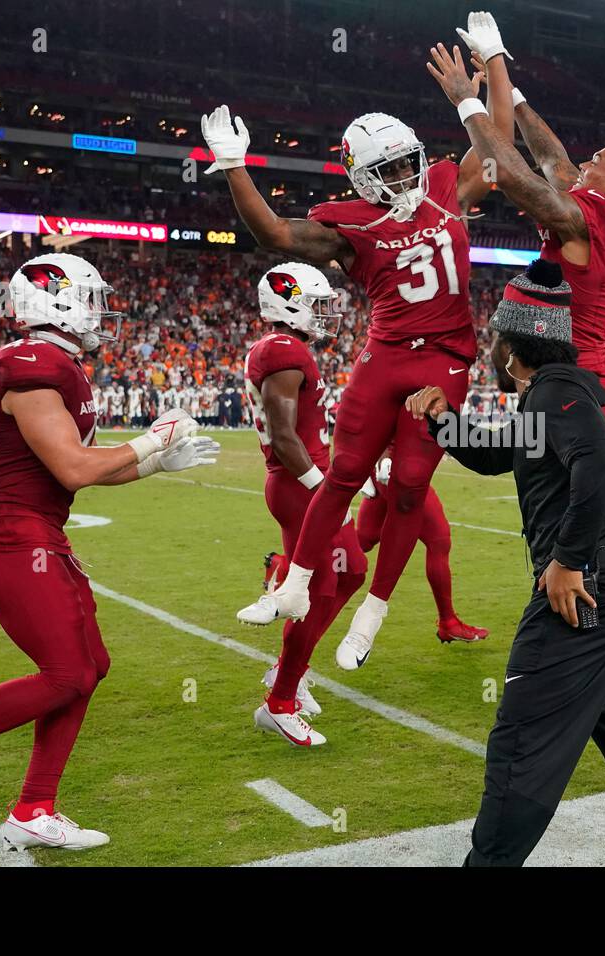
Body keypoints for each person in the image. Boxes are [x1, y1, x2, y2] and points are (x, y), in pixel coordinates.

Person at [0, 252, 219, 849]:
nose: (99, 311)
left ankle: (33, 810)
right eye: (89, 298)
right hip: (10, 535)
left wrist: (154, 462)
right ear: (54, 300)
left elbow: (80, 471)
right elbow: (74, 467)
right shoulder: (30, 363)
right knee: (65, 675)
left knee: (89, 669)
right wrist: (149, 439)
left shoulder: (55, 364)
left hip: (35, 532)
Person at [208, 16, 513, 671]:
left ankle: (371, 616)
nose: (405, 175)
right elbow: (275, 236)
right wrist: (233, 165)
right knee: (346, 475)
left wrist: (488, 69)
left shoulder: (442, 186)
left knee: (407, 488)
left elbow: (498, 152)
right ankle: (290, 586)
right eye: (391, 168)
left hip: (446, 359)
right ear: (361, 176)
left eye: (408, 162)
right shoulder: (351, 224)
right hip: (386, 355)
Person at [406, 259, 605, 866]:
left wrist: (566, 561)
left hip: (584, 593)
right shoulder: (555, 393)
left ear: (514, 346)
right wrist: (441, 420)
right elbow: (494, 455)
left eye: (497, 342)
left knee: (521, 746)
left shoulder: (557, 397)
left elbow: (598, 469)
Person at [427, 30, 605, 459]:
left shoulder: (590, 218)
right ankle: (445, 421)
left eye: (597, 161)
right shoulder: (601, 207)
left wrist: (466, 100)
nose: (585, 163)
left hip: (580, 385)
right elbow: (553, 159)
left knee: (570, 505)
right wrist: (506, 83)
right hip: (568, 376)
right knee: (521, 473)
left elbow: (512, 175)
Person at [234, 263, 368, 746]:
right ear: (288, 302)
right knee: (320, 589)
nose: (323, 314)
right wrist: (323, 489)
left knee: (352, 571)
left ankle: (290, 668)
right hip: (299, 486)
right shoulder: (283, 352)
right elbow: (287, 439)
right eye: (315, 304)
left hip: (309, 481)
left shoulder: (286, 350)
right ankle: (281, 700)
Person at [354, 449, 489, 651]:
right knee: (439, 540)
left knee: (363, 540)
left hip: (387, 468)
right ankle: (448, 622)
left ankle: (301, 563)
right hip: (399, 470)